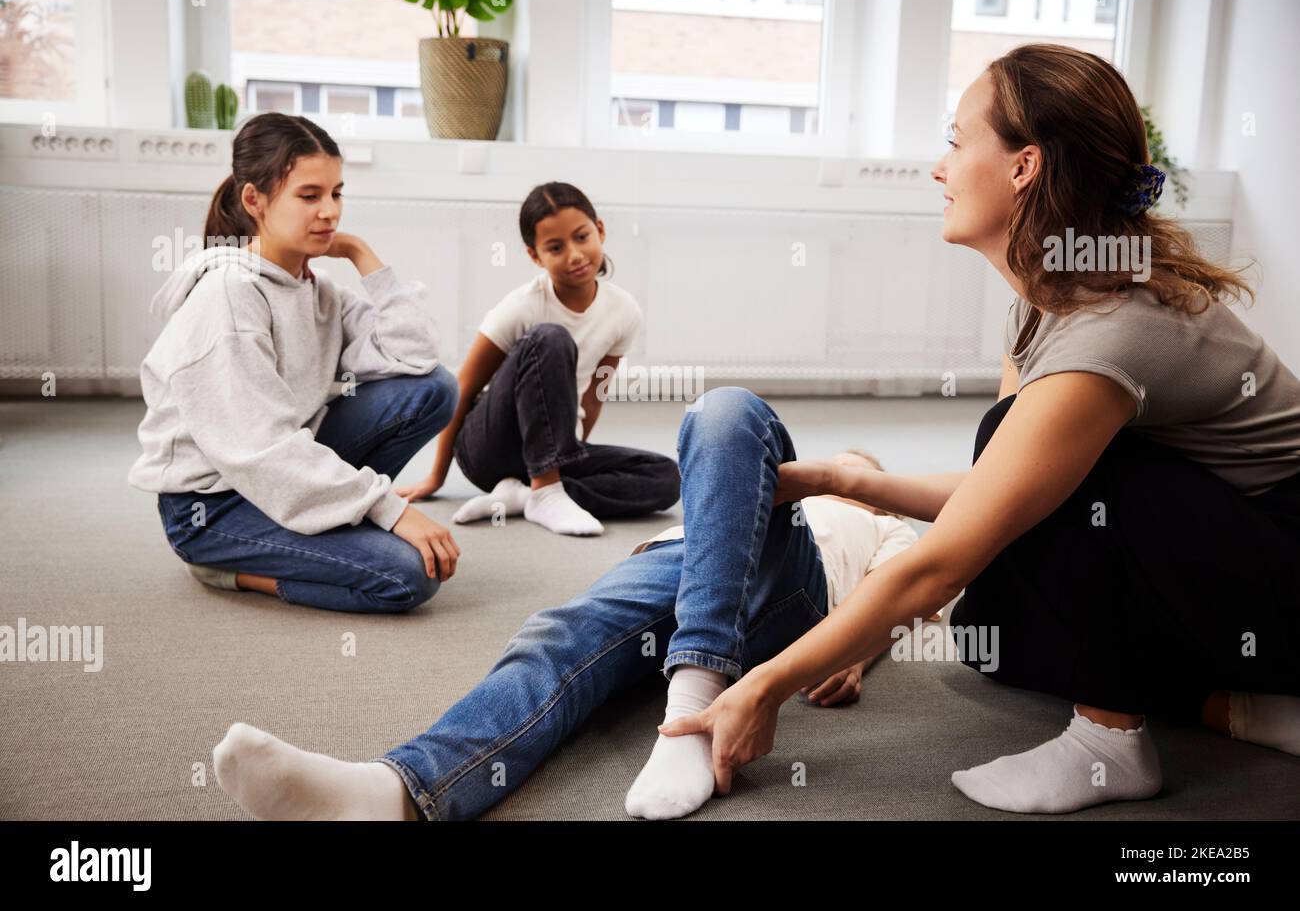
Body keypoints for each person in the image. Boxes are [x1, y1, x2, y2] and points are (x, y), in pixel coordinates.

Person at [657, 44, 1300, 815]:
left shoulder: (1110, 334)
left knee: (1017, 501)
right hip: (1229, 562)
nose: (940, 167)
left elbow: (949, 554)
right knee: (992, 624)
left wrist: (766, 685)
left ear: (1024, 166)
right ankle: (1244, 706)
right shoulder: (1048, 289)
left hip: (1284, 560)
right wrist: (842, 480)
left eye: (957, 141)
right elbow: (1006, 489)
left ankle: (1111, 743)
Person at [209, 387, 920, 820]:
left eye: (864, 469)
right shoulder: (768, 481)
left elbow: (908, 587)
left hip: (794, 588)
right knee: (557, 635)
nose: (849, 472)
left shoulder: (877, 518)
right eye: (845, 463)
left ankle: (690, 709)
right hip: (677, 560)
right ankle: (396, 792)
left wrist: (858, 651)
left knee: (728, 406)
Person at [127, 112, 461, 614]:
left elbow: (413, 357)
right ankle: (227, 569)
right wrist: (387, 509)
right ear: (254, 201)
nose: (330, 211)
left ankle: (334, 518)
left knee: (433, 389)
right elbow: (259, 447)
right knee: (408, 576)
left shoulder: (319, 291)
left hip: (277, 472)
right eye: (309, 196)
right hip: (214, 506)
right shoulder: (229, 296)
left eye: (337, 193)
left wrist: (363, 255)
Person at [397, 182, 680, 536]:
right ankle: (545, 490)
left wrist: (569, 451)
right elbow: (463, 389)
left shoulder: (624, 311)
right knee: (551, 338)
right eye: (556, 247)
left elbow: (594, 395)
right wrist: (435, 477)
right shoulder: (523, 305)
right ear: (536, 256)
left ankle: (527, 495)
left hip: (550, 446)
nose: (574, 255)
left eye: (582, 237)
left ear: (600, 230)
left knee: (667, 478)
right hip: (489, 451)